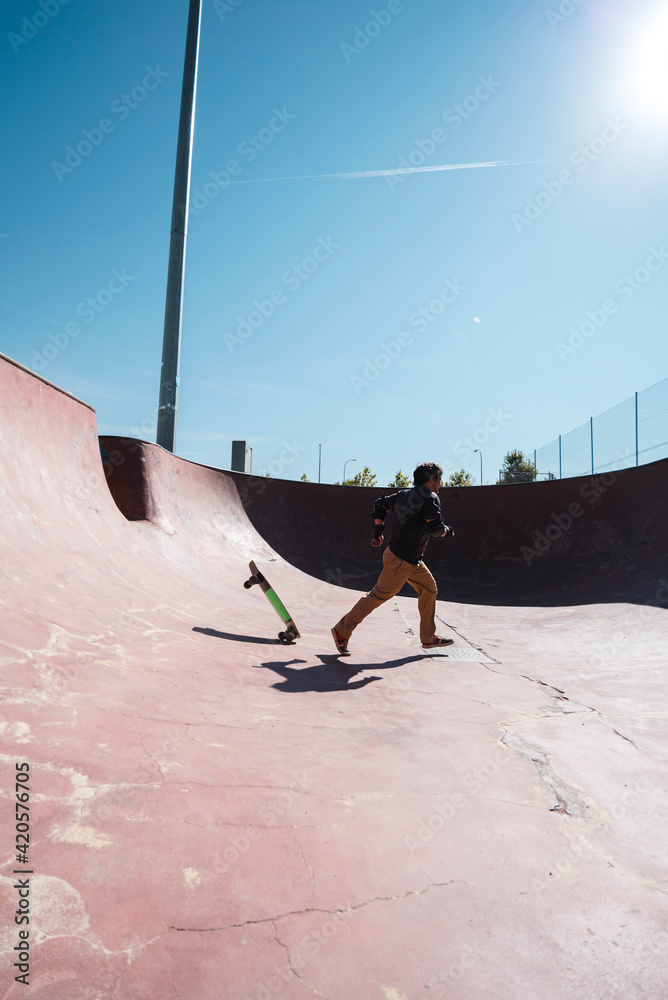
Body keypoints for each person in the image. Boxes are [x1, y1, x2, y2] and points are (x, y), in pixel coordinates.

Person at [331, 461, 455, 655]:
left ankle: (428, 638)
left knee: (429, 589)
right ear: (431, 479)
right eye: (439, 479)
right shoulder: (430, 498)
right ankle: (342, 630)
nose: (441, 483)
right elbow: (435, 529)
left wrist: (377, 533)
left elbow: (380, 504)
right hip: (401, 560)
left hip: (411, 559)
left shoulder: (403, 495)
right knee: (378, 596)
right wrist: (448, 531)